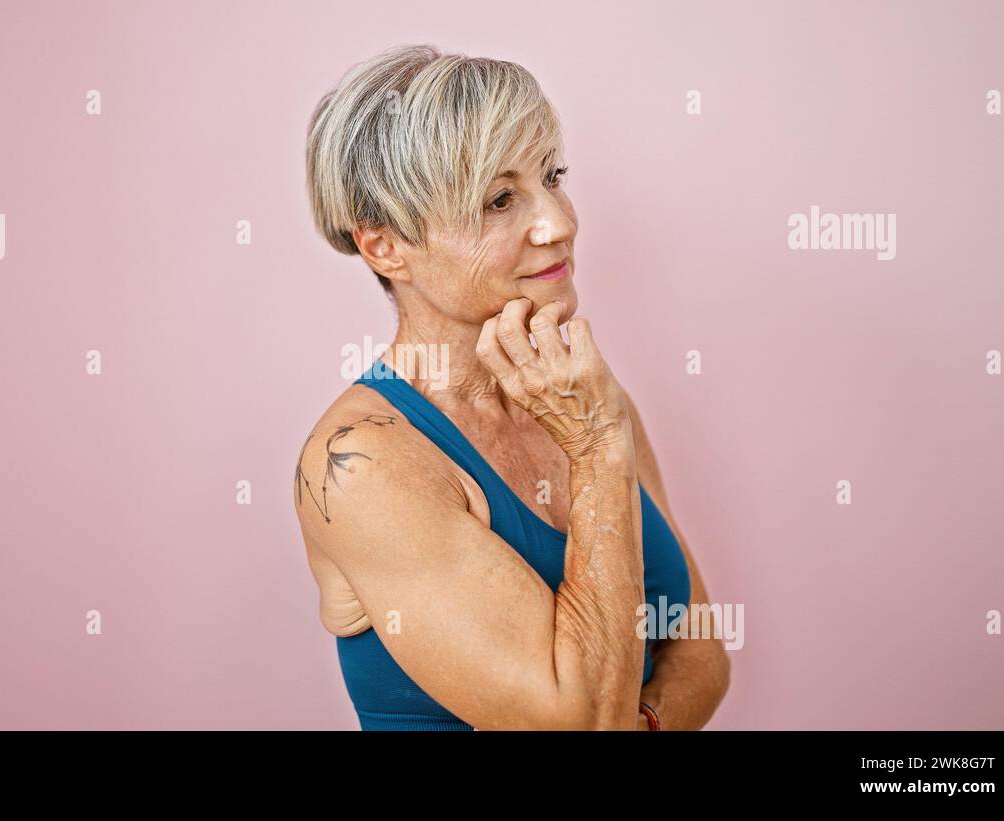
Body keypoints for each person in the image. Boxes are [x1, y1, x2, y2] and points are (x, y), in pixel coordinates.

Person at [294, 43, 729, 730]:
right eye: (499, 199)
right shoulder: (363, 464)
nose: (560, 222)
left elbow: (702, 655)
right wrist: (593, 447)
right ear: (385, 247)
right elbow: (579, 721)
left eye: (553, 177)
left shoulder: (582, 393)